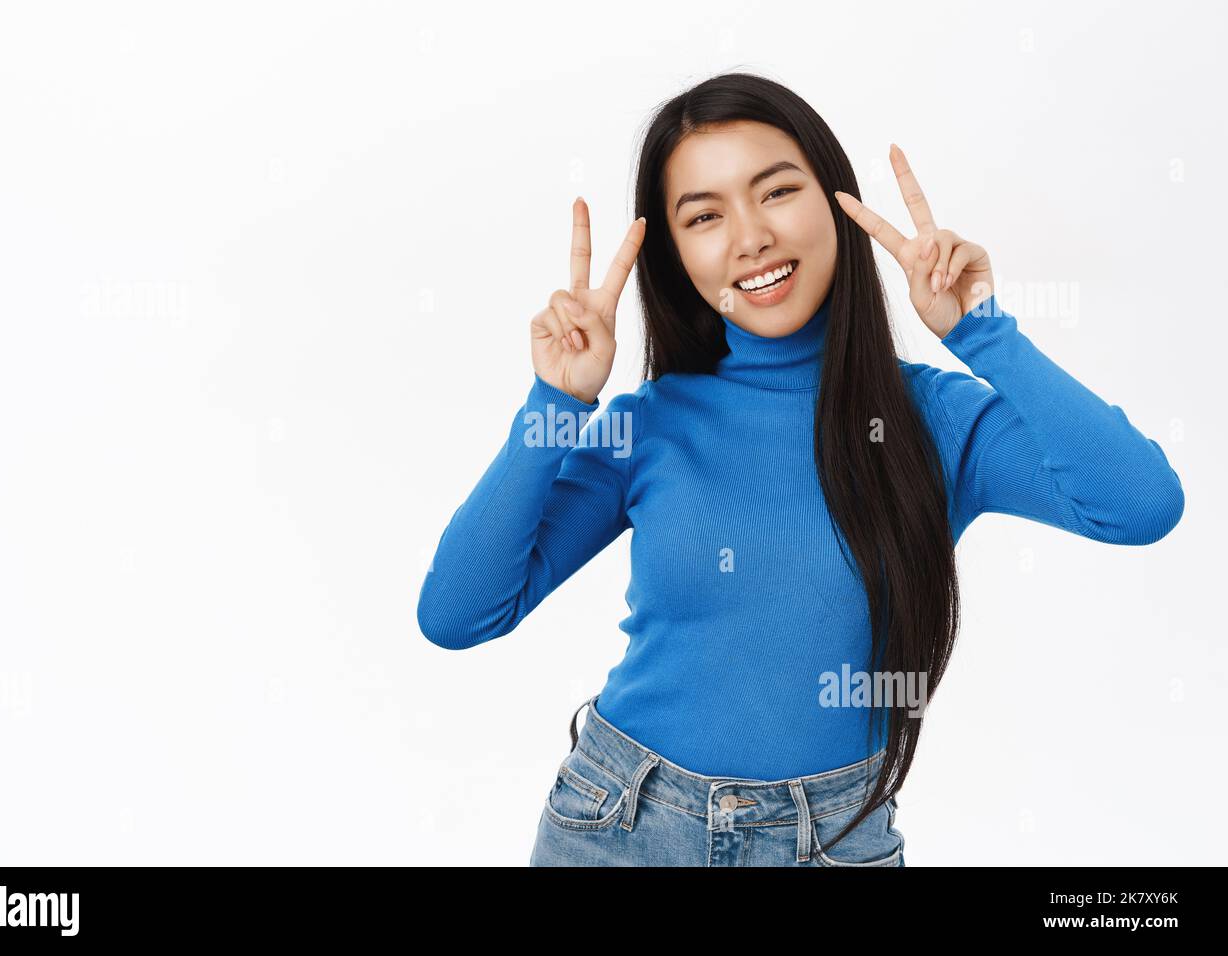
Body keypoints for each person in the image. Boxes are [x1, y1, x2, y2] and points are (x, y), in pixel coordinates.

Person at [416, 73, 1185, 866]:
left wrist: (983, 332)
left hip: (837, 838)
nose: (749, 237)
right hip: (624, 824)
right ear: (678, 258)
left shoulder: (936, 419)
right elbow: (459, 613)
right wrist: (557, 403)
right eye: (705, 216)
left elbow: (1140, 505)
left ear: (836, 202)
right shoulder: (649, 425)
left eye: (776, 191)